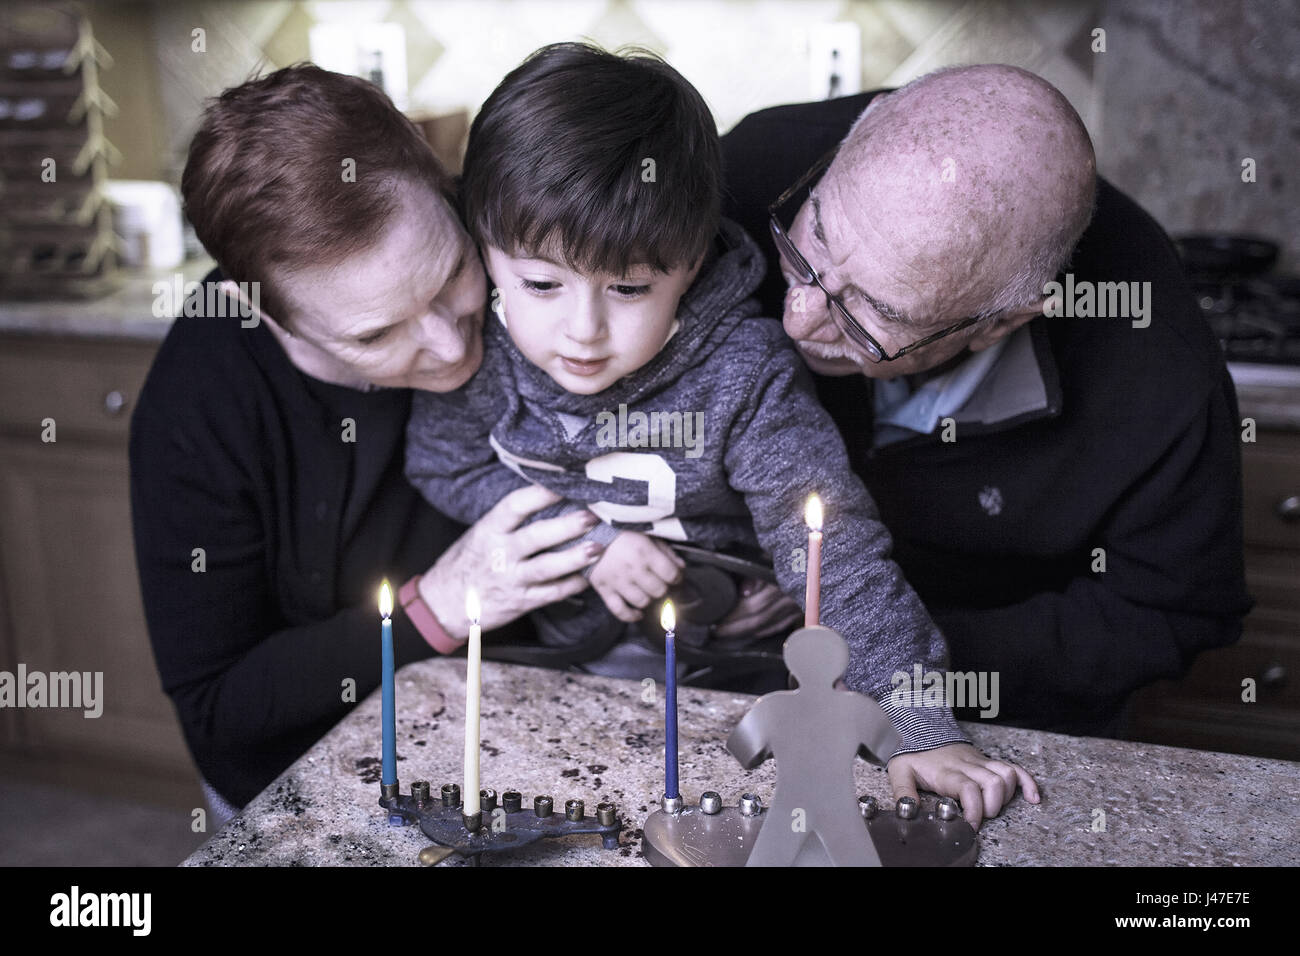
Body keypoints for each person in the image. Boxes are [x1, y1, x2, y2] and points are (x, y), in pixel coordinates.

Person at [404, 44, 1038, 828]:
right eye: (539, 283)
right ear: (485, 250)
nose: (581, 331)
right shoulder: (480, 356)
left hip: (733, 690)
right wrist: (588, 538)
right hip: (552, 678)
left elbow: (832, 549)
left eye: (630, 289)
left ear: (693, 260)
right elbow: (440, 463)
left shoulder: (746, 372)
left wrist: (915, 724)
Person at [720, 65, 1252, 743]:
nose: (798, 318)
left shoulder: (1158, 366)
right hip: (725, 673)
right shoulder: (747, 170)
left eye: (872, 315)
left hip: (997, 719)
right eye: (811, 240)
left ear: (1002, 321)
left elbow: (1172, 610)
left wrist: (891, 653)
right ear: (864, 128)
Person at [129, 65, 603, 817]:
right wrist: (439, 607)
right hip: (296, 776)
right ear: (265, 313)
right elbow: (219, 703)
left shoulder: (513, 233)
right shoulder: (201, 403)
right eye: (377, 334)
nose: (450, 346)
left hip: (520, 730)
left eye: (451, 273)